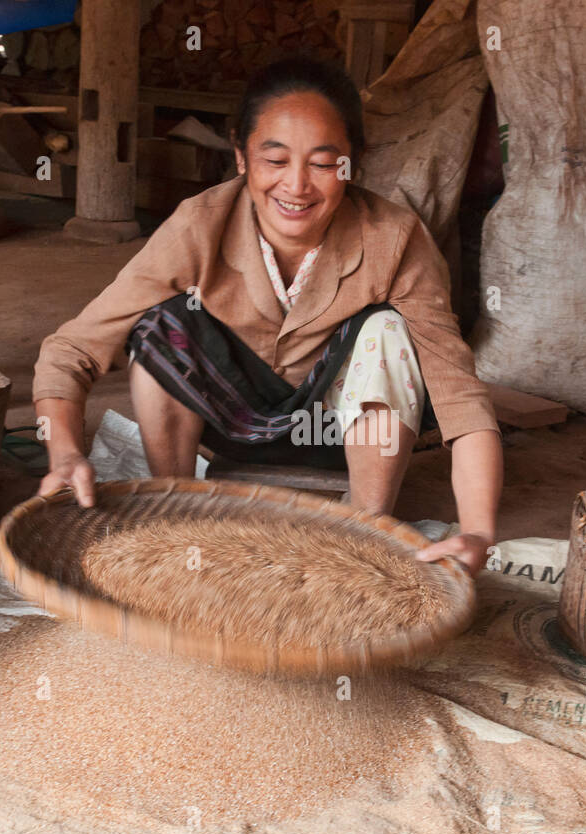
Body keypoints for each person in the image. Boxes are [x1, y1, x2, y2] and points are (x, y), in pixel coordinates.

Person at [32, 56, 502, 573]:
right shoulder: (198, 227)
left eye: (323, 163)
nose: (297, 186)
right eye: (275, 160)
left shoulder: (394, 239)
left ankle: (366, 531)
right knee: (163, 327)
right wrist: (66, 455)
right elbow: (72, 349)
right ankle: (177, 510)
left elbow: (460, 397)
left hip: (335, 435)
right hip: (230, 423)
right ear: (241, 156)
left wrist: (477, 530)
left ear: (353, 162)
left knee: (387, 331)